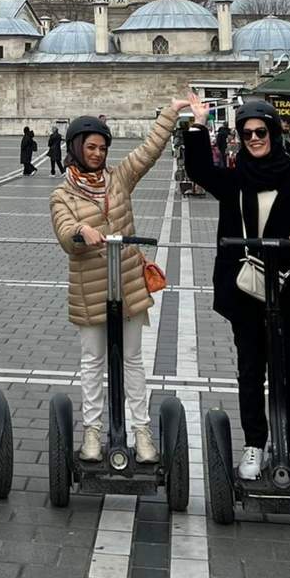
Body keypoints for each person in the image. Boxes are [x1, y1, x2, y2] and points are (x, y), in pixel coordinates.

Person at [182, 94, 290, 483]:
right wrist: (199, 123)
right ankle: (255, 442)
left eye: (260, 132)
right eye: (246, 133)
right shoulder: (237, 179)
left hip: (288, 290)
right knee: (251, 370)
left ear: (273, 133)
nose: (253, 139)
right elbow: (199, 169)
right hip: (246, 293)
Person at [51, 102, 185, 464]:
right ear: (76, 149)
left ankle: (140, 429)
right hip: (90, 290)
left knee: (132, 360)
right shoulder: (62, 194)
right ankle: (92, 430)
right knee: (93, 361)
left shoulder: (119, 179)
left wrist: (170, 113)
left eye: (102, 148)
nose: (97, 154)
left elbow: (148, 151)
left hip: (126, 285)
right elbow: (64, 232)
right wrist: (81, 230)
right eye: (90, 147)